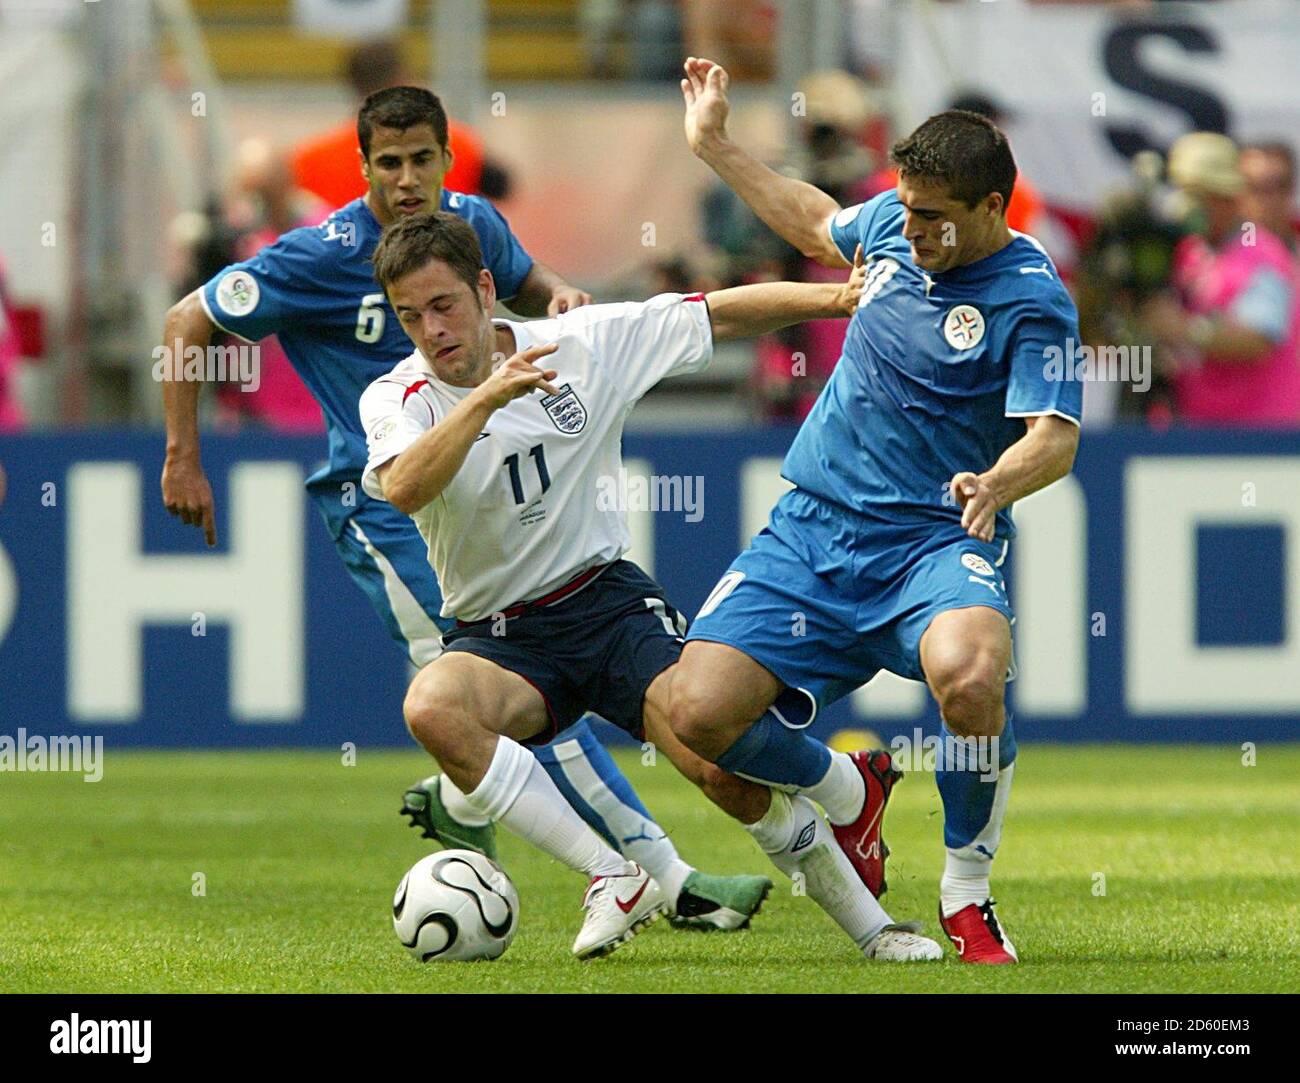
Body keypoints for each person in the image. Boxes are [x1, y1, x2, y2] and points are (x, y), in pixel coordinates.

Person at [159, 86, 768, 932]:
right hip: (388, 514)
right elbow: (187, 318)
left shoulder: (469, 224)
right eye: (389, 163)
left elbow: (528, 282)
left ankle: (482, 808)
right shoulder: (320, 255)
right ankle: (665, 877)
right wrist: (183, 455)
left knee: (529, 681)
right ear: (364, 166)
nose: (408, 180)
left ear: (449, 157)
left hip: (488, 492)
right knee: (504, 682)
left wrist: (561, 296)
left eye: (422, 160)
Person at [360, 210, 941, 961]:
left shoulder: (582, 343)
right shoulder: (397, 397)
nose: (431, 329)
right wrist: (485, 399)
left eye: (442, 305)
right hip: (499, 635)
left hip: (605, 604)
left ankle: (877, 930)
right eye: (410, 317)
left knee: (719, 768)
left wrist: (832, 300)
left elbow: (713, 313)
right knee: (434, 706)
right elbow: (406, 486)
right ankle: (615, 874)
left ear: (483, 288)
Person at [670, 57, 1084, 964]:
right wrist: (716, 146)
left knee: (971, 676)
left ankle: (967, 893)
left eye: (935, 215)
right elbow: (816, 220)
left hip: (933, 541)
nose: (913, 228)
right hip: (813, 528)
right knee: (692, 715)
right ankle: (851, 791)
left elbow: (1055, 435)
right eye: (905, 207)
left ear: (991, 208)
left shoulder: (1031, 297)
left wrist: (997, 483)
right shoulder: (895, 231)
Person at [1143, 132, 1300, 426]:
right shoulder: (1190, 253)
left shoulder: (1262, 255)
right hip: (1201, 434)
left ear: (1226, 199)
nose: (1185, 206)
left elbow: (1259, 337)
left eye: (1198, 196)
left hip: (1262, 440)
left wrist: (1185, 329)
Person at [1240, 141, 1298, 253]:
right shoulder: (1213, 252)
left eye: (1279, 185)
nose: (1268, 200)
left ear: (1291, 187)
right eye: (1255, 188)